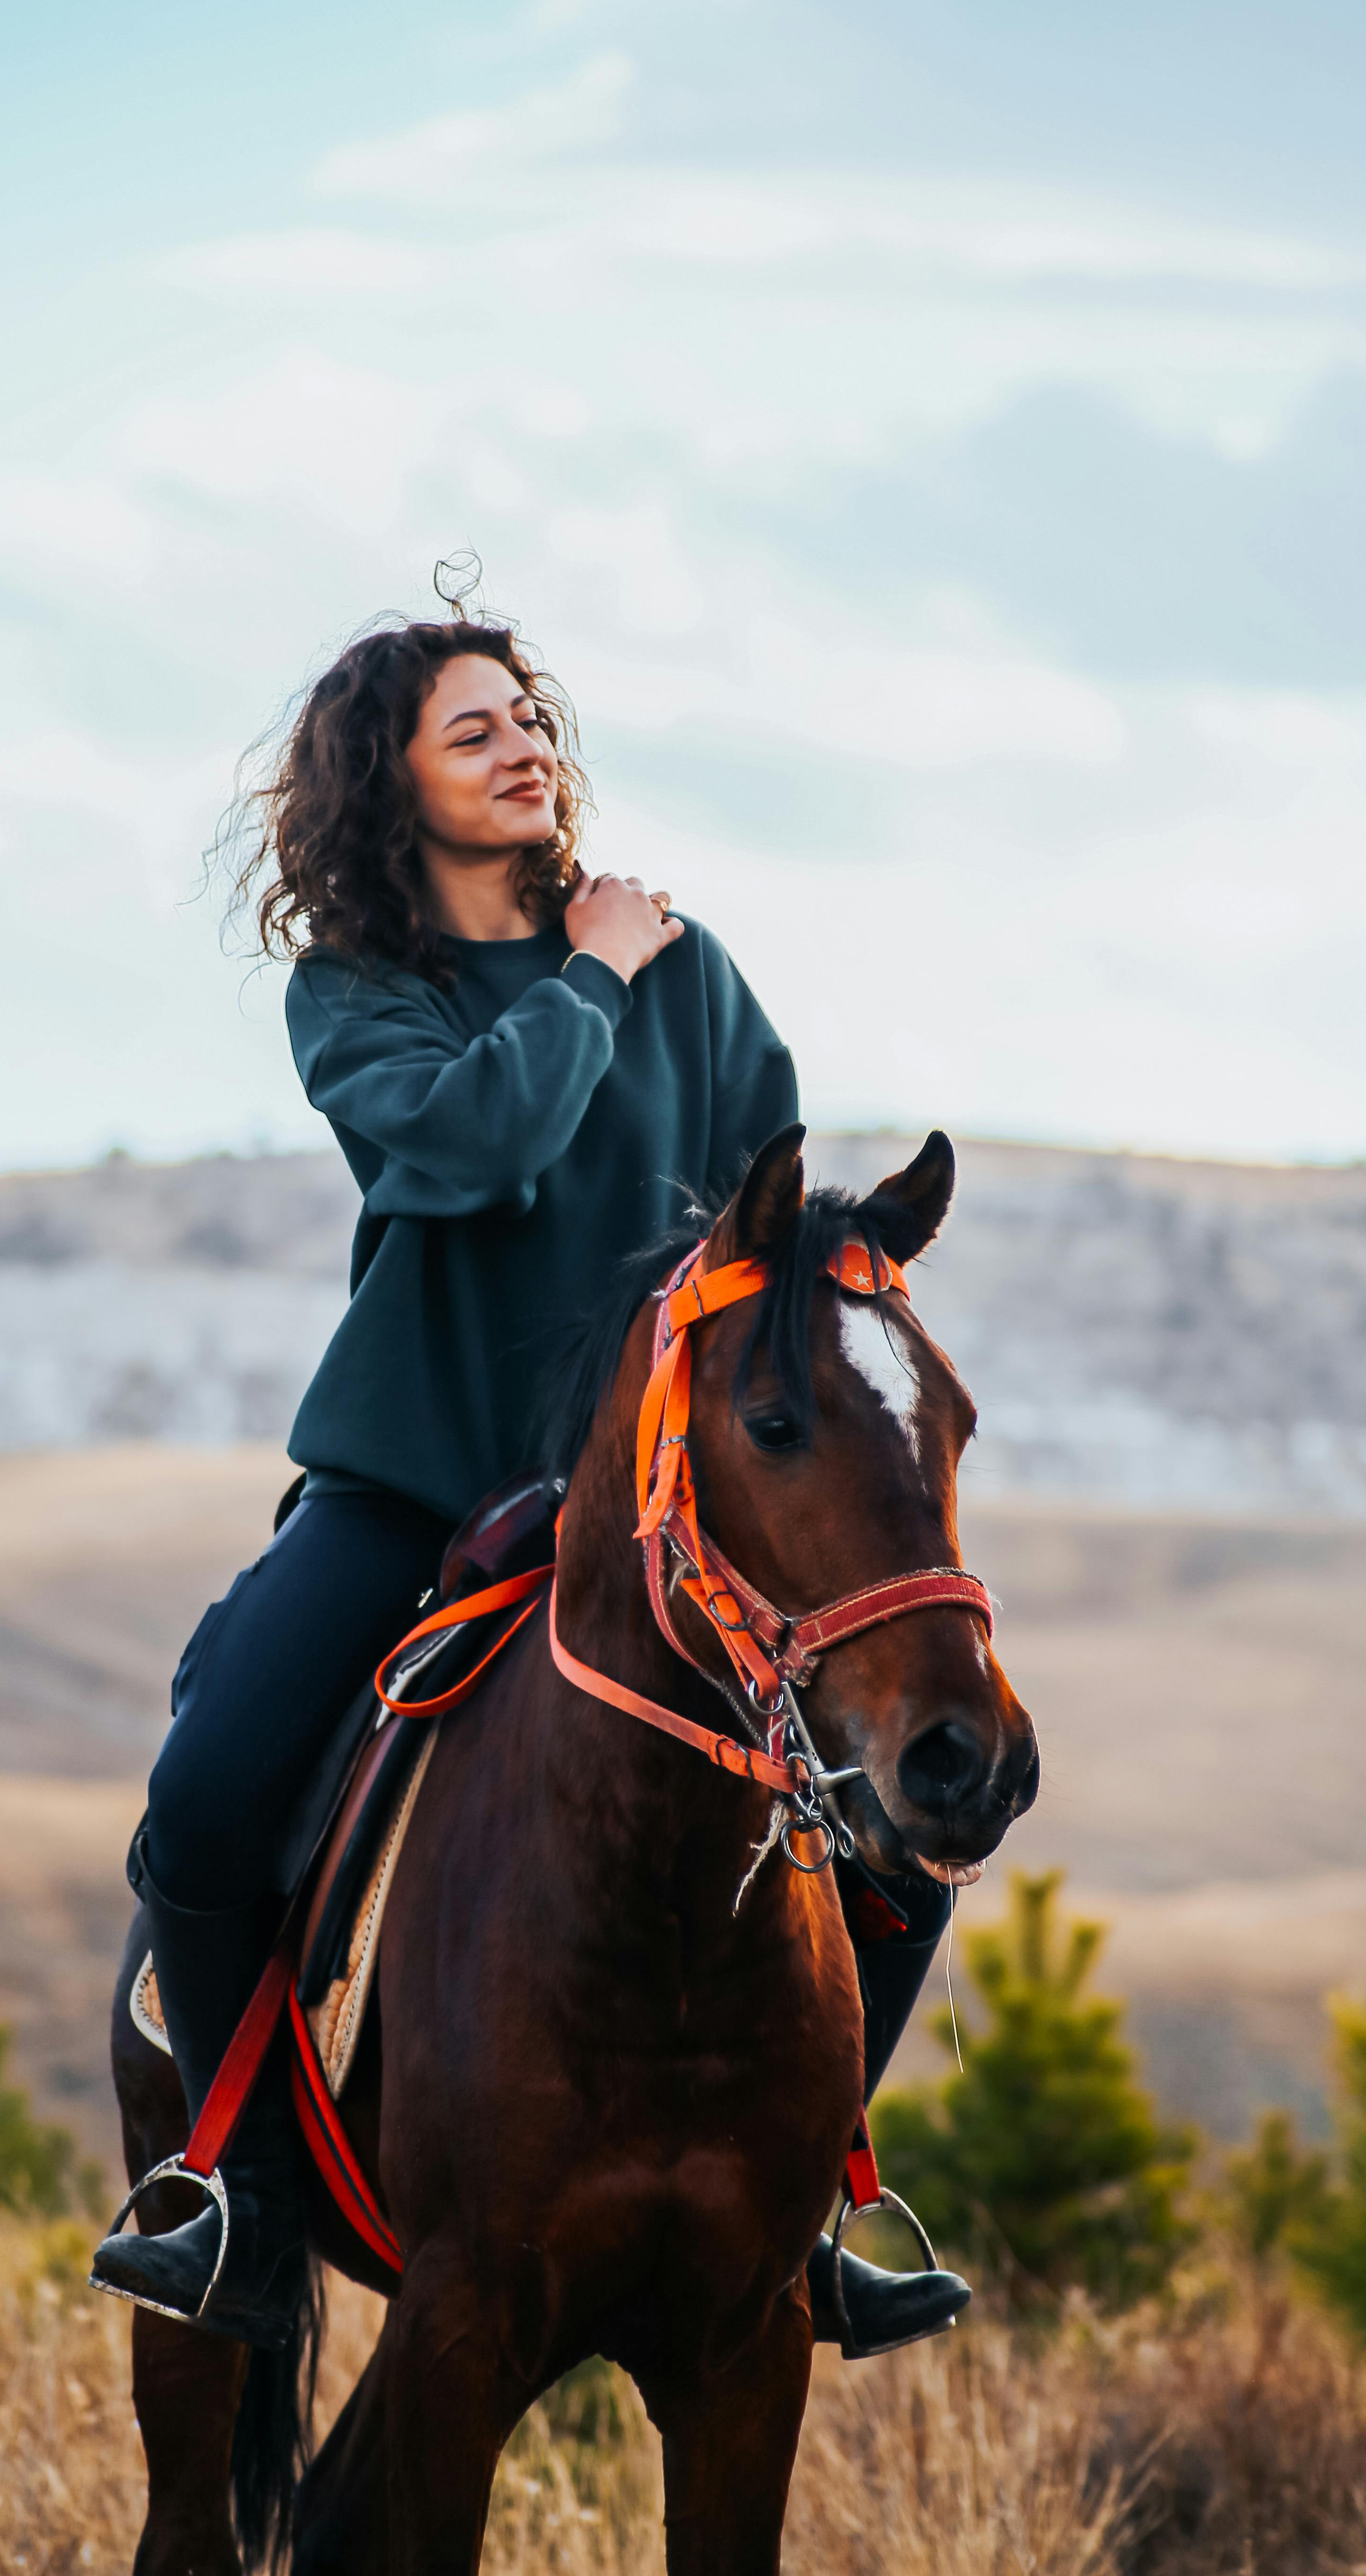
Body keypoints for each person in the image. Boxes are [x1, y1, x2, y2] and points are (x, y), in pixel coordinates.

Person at [90, 599, 967, 2356]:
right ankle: (235, 2208)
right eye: (472, 731)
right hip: (417, 1488)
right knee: (203, 1805)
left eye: (530, 721)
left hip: (660, 1512)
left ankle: (819, 2208)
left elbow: (764, 1209)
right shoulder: (359, 995)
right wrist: (589, 978)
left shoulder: (687, 967)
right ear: (386, 783)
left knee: (912, 1816)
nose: (523, 749)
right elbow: (478, 1151)